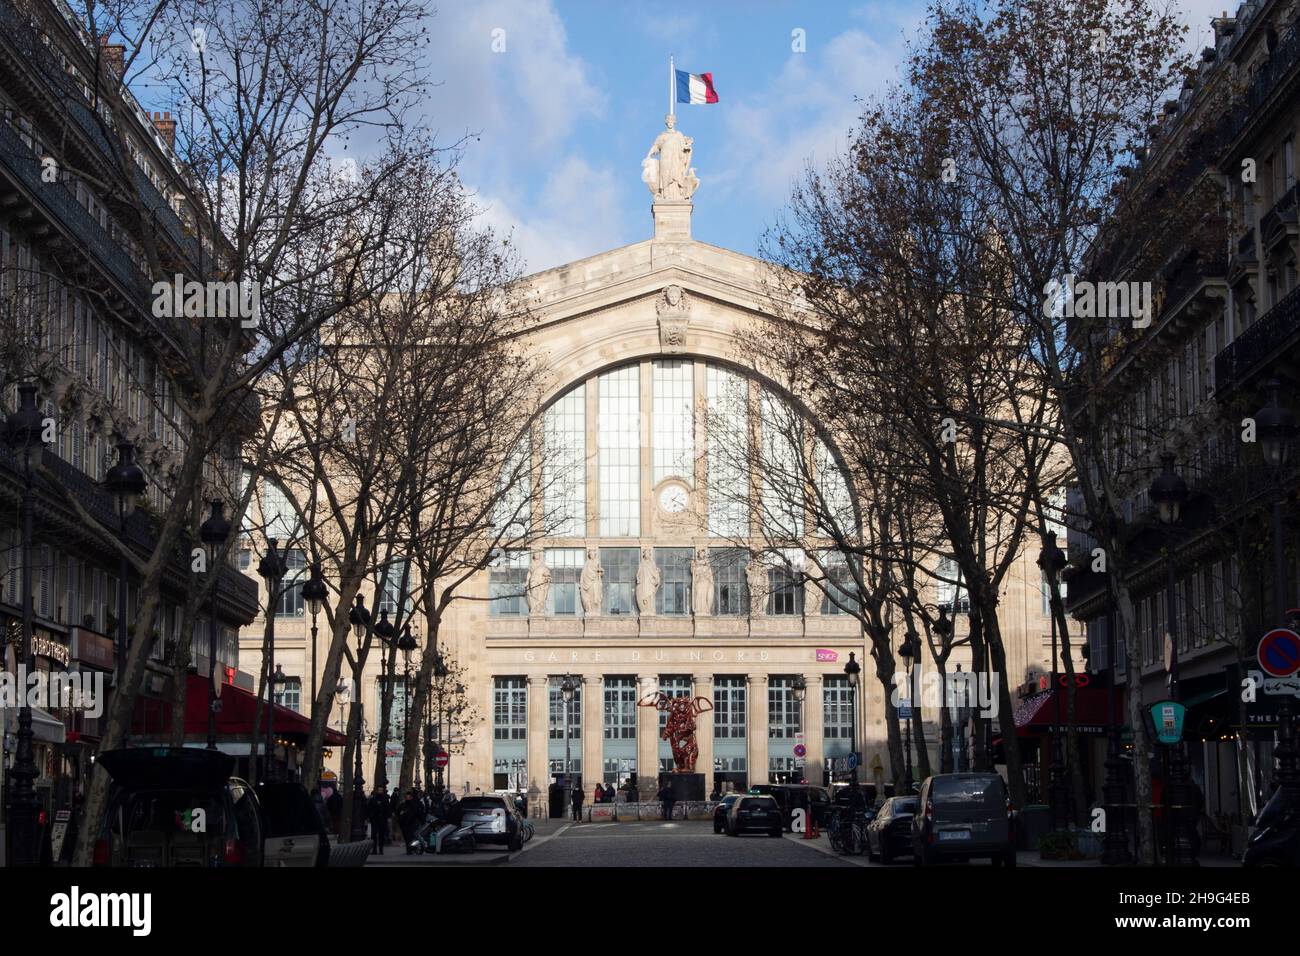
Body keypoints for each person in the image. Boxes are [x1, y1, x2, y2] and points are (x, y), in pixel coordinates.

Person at [366, 786, 392, 854]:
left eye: (381, 790)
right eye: (379, 790)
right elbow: (369, 808)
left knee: (381, 835)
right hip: (374, 819)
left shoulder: (385, 799)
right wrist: (370, 816)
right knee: (373, 835)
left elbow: (388, 809)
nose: (380, 791)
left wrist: (388, 817)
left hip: (382, 819)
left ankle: (381, 849)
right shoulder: (373, 799)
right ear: (377, 791)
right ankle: (374, 849)